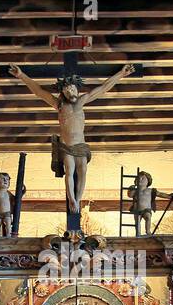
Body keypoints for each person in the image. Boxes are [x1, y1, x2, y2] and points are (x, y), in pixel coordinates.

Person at [7, 62, 137, 217]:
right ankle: (72, 200)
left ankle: (78, 198)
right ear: (63, 92)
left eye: (73, 89)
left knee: (83, 170)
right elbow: (39, 91)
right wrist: (21, 75)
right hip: (66, 145)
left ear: (77, 89)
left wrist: (121, 74)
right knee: (70, 171)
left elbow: (102, 88)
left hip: (81, 145)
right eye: (67, 90)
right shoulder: (59, 104)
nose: (71, 92)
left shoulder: (82, 101)